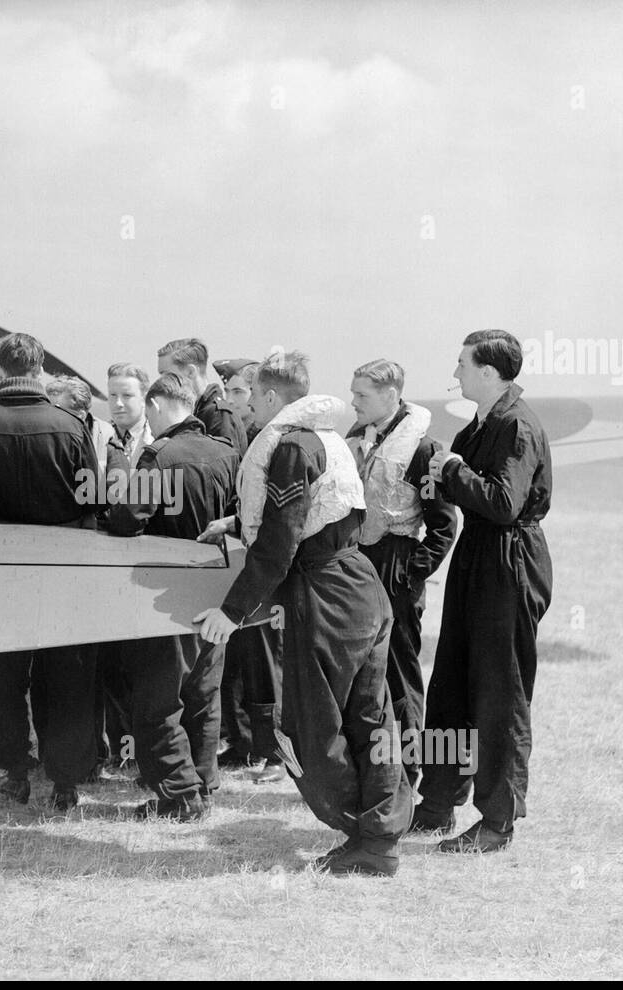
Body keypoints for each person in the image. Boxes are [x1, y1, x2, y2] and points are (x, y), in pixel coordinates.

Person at [194, 351, 411, 876]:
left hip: (326, 598)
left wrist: (231, 611)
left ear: (271, 397)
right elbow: (317, 513)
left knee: (311, 727)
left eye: (249, 394)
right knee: (371, 720)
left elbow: (281, 544)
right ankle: (381, 838)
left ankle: (359, 830)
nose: (242, 408)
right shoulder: (328, 438)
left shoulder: (290, 445)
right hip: (362, 587)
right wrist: (233, 523)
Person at [0, 332, 100, 811]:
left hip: (2, 573)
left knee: (6, 679)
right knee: (66, 679)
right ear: (38, 371)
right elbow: (93, 500)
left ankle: (14, 772)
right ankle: (66, 783)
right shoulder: (72, 426)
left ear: (0, 367)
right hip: (63, 573)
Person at [413, 330, 553, 853]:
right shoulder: (484, 421)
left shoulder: (517, 426)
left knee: (500, 693)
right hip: (479, 556)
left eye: (463, 365)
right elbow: (467, 489)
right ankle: (437, 804)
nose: (456, 375)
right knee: (452, 681)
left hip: (509, 560)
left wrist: (452, 468)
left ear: (490, 372)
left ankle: (497, 824)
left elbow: (502, 503)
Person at [106, 373, 239, 820]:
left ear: (158, 406)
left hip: (166, 598)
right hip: (218, 593)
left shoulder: (159, 456)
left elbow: (127, 520)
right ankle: (203, 780)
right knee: (204, 694)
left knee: (158, 700)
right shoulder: (227, 454)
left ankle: (180, 795)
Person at [346, 360, 457, 786]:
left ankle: (408, 773)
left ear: (391, 395)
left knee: (397, 670)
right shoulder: (356, 437)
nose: (353, 401)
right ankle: (371, 767)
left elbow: (445, 523)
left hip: (395, 562)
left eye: (363, 395)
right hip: (358, 562)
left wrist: (413, 573)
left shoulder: (423, 449)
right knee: (360, 670)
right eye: (353, 393)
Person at [213, 358, 283, 782]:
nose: (234, 401)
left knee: (266, 660)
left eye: (241, 393)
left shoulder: (269, 439)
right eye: (230, 393)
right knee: (242, 660)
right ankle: (245, 745)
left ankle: (275, 753)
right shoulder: (246, 436)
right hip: (243, 559)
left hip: (265, 567)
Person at [158, 338, 247, 454]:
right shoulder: (198, 410)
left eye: (166, 374)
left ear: (191, 372)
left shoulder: (218, 415)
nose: (162, 382)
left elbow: (224, 466)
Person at [46, 375, 114, 478]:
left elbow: (118, 490)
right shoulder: (40, 439)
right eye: (48, 410)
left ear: (80, 416)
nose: (50, 418)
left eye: (59, 413)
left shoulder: (108, 439)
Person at [106, 362, 154, 466]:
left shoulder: (160, 440)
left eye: (127, 395)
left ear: (144, 398)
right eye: (113, 395)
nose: (118, 403)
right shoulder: (95, 440)